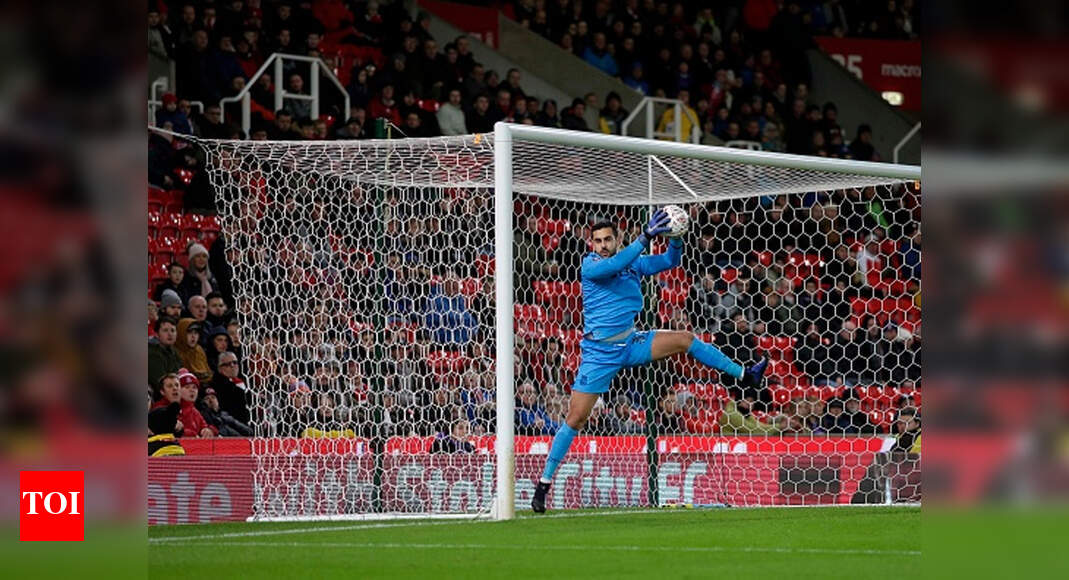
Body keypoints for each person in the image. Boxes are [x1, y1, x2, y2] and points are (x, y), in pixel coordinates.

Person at [531, 213, 768, 513]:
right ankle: (544, 484)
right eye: (598, 241)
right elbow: (613, 266)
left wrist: (677, 239)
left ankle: (746, 376)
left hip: (631, 344)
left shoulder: (634, 263)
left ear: (617, 239)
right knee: (575, 419)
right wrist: (644, 238)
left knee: (684, 338)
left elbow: (670, 262)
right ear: (591, 243)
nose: (603, 246)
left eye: (608, 240)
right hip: (599, 353)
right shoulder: (591, 265)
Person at [177, 371, 216, 438]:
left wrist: (208, 430)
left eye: (194, 387)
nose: (192, 390)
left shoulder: (195, 411)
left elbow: (205, 426)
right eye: (187, 387)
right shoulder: (173, 409)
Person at [148, 317, 183, 387]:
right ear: (157, 334)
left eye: (173, 331)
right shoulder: (152, 354)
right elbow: (160, 383)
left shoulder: (174, 352)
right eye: (165, 330)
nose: (170, 334)